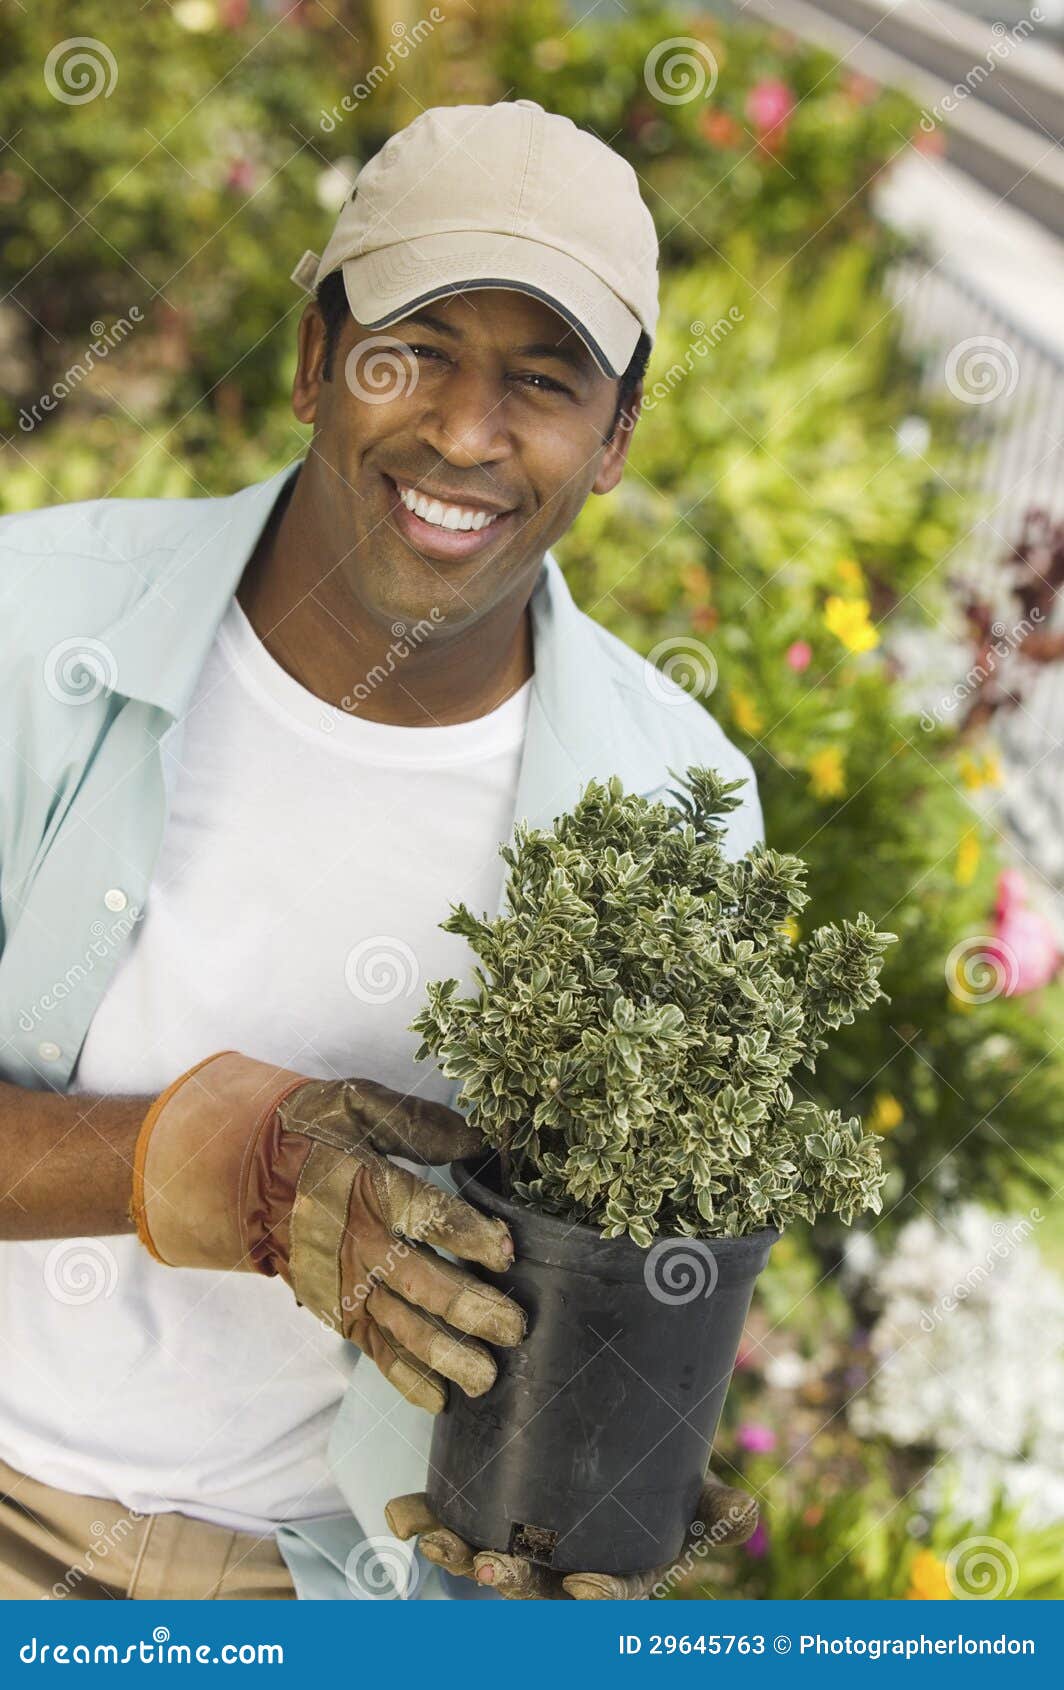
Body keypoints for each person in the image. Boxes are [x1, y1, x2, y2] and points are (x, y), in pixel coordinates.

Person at [0, 99, 764, 1601]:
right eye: (414, 352)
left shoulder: (679, 803)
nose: (465, 435)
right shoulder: (35, 626)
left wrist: (595, 1482)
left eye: (541, 382)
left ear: (612, 439)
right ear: (313, 361)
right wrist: (230, 1167)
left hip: (326, 1586)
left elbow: (641, 1255)